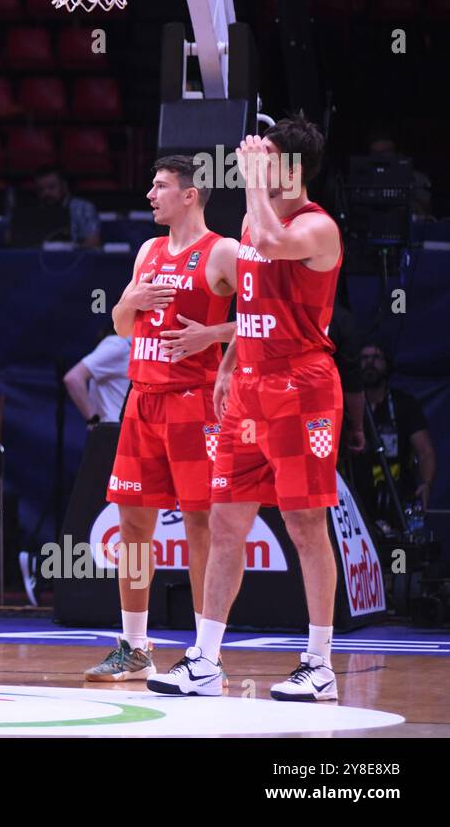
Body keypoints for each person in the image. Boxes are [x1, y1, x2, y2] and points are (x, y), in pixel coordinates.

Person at [149, 113, 354, 702]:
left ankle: (318, 663)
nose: (253, 168)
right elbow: (253, 299)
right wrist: (231, 363)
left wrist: (257, 181)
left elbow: (268, 242)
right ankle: (206, 659)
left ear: (291, 169)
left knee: (303, 523)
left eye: (267, 159)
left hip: (302, 388)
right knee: (226, 522)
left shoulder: (318, 228)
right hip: (249, 389)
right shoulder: (254, 214)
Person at [82, 155, 237, 684]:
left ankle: (206, 654)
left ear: (189, 195)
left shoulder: (224, 251)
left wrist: (209, 337)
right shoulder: (148, 250)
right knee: (132, 526)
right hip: (142, 399)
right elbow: (123, 326)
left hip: (195, 404)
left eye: (160, 186)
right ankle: (134, 646)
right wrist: (131, 298)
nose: (150, 194)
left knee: (201, 526)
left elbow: (269, 319)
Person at [359, 343, 436, 529]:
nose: (370, 363)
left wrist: (426, 484)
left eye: (376, 358)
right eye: (364, 358)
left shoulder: (404, 404)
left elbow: (425, 451)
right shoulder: (346, 405)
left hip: (397, 497)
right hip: (356, 498)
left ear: (388, 365)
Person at [8, 167, 101, 249]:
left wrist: (67, 248)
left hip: (71, 261)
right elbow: (12, 239)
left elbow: (93, 242)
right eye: (41, 189)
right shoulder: (33, 210)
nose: (46, 193)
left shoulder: (83, 207)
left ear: (64, 186)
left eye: (51, 187)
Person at [64, 329, 131, 425]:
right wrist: (94, 422)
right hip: (112, 432)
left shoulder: (139, 348)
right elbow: (73, 378)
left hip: (128, 431)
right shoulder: (119, 345)